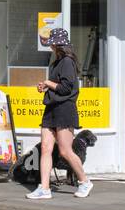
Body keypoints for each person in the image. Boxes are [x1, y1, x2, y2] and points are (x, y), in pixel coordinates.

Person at [26, 27, 92, 200]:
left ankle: (84, 181)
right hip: (52, 109)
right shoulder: (57, 62)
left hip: (64, 110)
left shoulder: (68, 62)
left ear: (57, 45)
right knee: (46, 148)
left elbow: (66, 88)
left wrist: (48, 82)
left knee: (64, 151)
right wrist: (46, 86)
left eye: (51, 44)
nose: (50, 47)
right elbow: (58, 86)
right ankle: (44, 188)